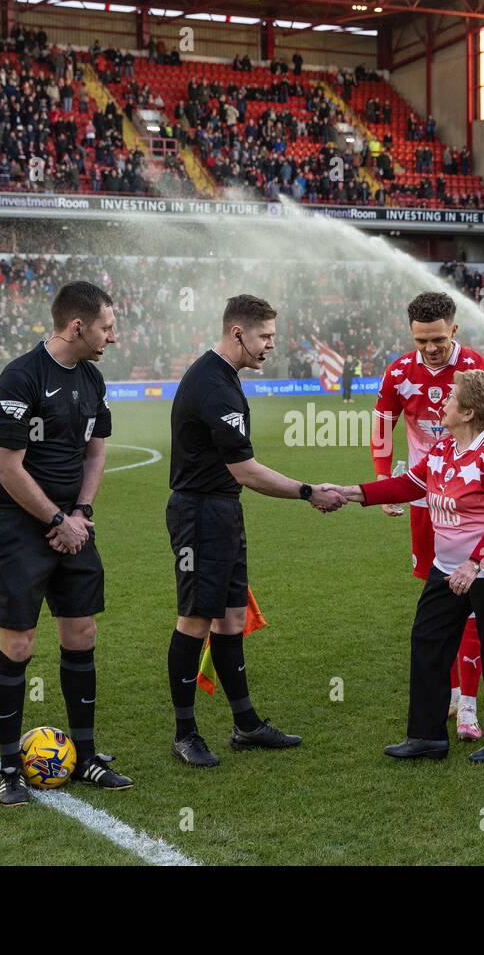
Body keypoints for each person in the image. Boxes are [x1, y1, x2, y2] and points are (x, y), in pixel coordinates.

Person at [165, 295, 343, 768]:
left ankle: (246, 726)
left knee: (231, 619)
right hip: (199, 513)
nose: (269, 346)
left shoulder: (223, 376)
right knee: (195, 620)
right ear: (237, 333)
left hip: (221, 510)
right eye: (264, 337)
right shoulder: (214, 386)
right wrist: (309, 491)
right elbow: (246, 471)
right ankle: (185, 734)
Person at [0, 281, 132, 806]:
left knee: (82, 632)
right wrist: (55, 517)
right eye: (107, 327)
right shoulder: (21, 377)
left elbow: (95, 453)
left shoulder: (92, 379)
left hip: (73, 524)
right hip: (20, 525)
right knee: (18, 644)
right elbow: (8, 467)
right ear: (77, 326)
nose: (112, 337)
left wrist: (81, 514)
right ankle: (8, 767)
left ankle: (87, 755)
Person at [342, 370, 484, 760]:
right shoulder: (444, 448)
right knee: (428, 641)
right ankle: (426, 736)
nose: (442, 403)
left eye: (451, 398)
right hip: (447, 568)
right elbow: (411, 483)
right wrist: (353, 493)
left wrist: (475, 564)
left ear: (468, 412)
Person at [369, 291, 484, 740]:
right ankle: (452, 693)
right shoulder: (399, 371)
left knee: (475, 598)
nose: (431, 348)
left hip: (474, 500)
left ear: (455, 329)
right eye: (422, 341)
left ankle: (471, 705)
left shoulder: (477, 372)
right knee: (440, 599)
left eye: (438, 339)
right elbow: (382, 422)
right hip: (426, 493)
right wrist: (381, 478)